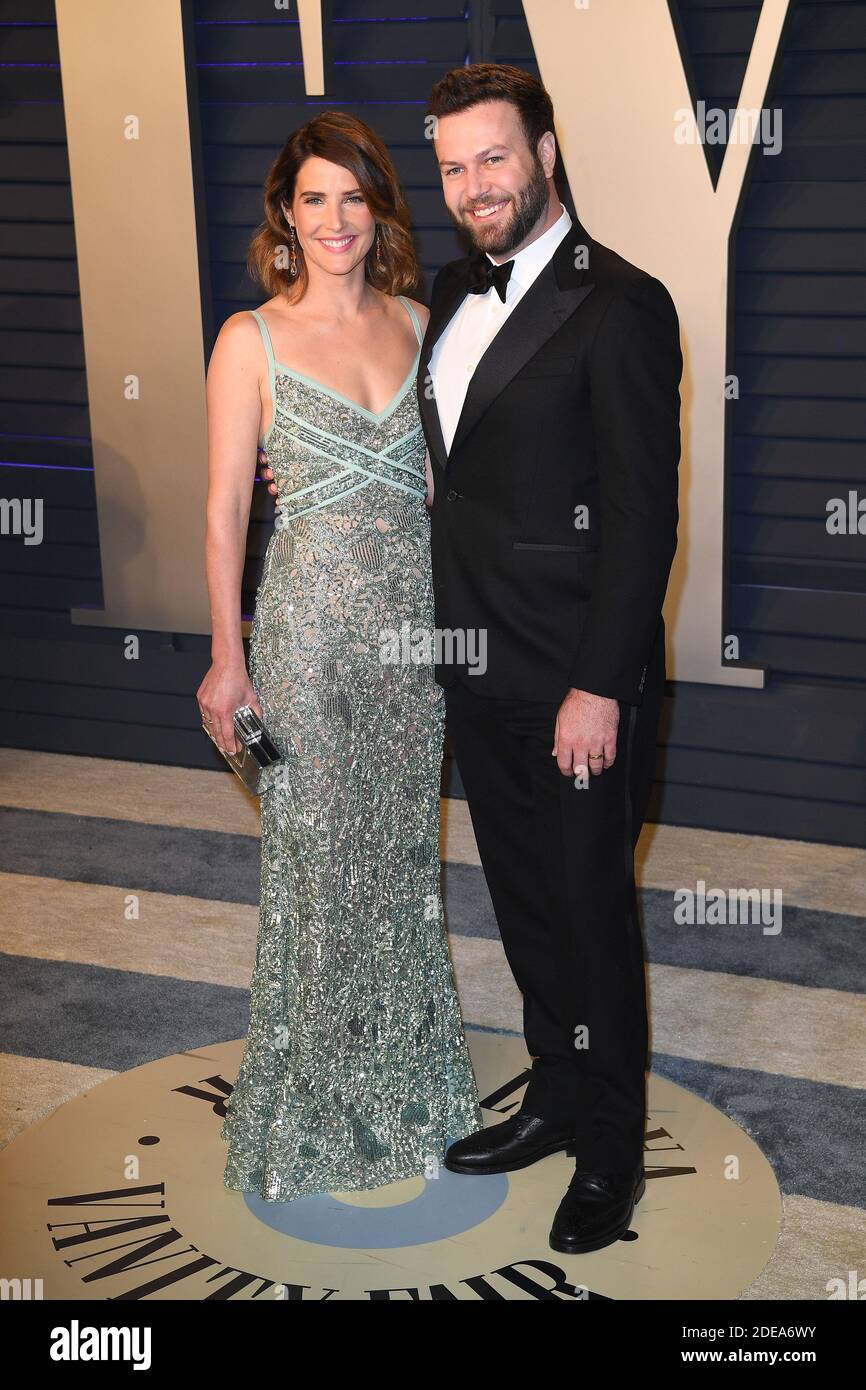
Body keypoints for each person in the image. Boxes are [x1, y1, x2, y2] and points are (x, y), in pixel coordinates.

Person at [262, 65, 682, 1251]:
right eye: (449, 168)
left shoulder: (623, 305)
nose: (471, 186)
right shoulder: (446, 288)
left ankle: (608, 1152)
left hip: (573, 680)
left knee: (591, 918)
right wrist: (307, 469)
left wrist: (599, 685)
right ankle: (553, 1092)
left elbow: (642, 519)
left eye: (491, 159)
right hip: (471, 665)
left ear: (544, 155)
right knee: (526, 909)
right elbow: (423, 455)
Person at [198, 110, 481, 1203]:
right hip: (307, 637)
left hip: (412, 641)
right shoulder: (248, 340)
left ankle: (410, 1083)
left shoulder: (422, 320)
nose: (334, 220)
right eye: (313, 198)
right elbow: (225, 509)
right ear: (285, 213)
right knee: (315, 864)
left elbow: (452, 473)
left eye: (353, 198)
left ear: (379, 212)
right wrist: (229, 658)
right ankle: (307, 1101)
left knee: (402, 863)